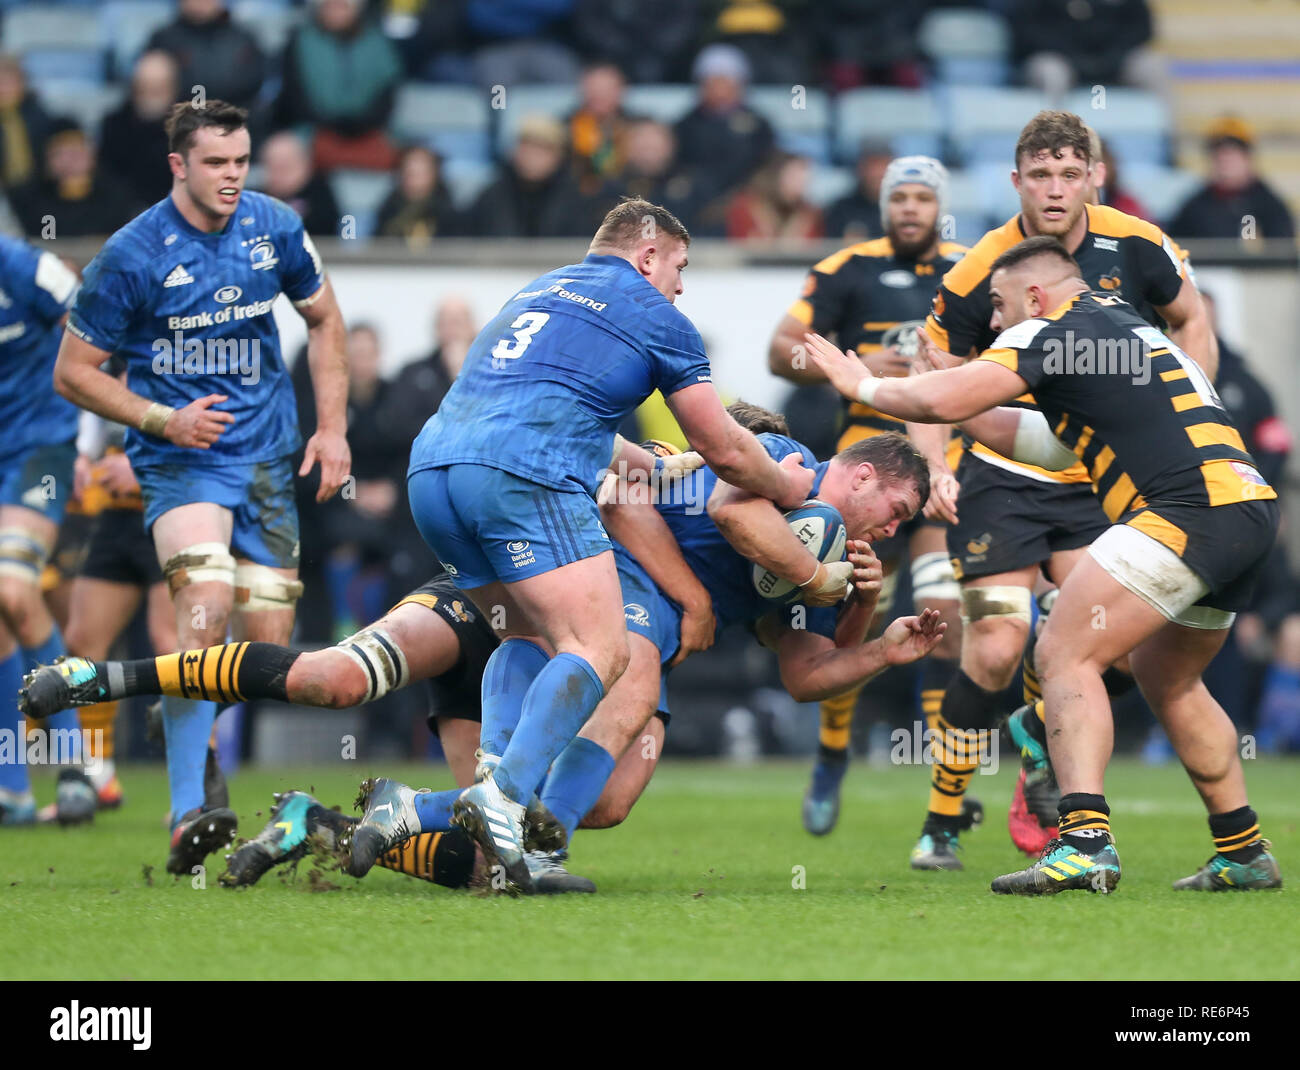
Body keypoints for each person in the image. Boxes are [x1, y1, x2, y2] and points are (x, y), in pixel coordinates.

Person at [805, 234, 1282, 893]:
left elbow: (944, 399)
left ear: (1035, 296)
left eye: (999, 308)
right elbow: (1044, 443)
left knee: (1061, 653)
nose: (994, 324)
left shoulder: (1055, 328)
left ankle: (1084, 843)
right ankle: (1244, 850)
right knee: (1169, 681)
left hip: (1185, 509)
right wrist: (956, 410)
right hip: (1246, 505)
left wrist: (858, 381)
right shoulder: (1126, 331)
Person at [403, 196, 818, 891]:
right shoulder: (660, 317)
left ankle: (496, 828)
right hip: (519, 478)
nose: (681, 285)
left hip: (434, 476)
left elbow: (567, 416)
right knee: (602, 649)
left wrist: (658, 468)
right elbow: (722, 446)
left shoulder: (539, 290)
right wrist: (789, 487)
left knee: (524, 639)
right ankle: (498, 805)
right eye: (680, 266)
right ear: (648, 253)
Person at [903, 110, 1215, 869]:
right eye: (1040, 175)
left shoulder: (1139, 244)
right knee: (994, 648)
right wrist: (937, 465)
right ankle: (945, 817)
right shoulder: (983, 266)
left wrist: (1201, 404)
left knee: (1120, 650)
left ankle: (1039, 737)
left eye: (1070, 174)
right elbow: (929, 365)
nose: (1054, 189)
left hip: (1102, 484)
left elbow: (1191, 317)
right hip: (1005, 475)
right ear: (1015, 181)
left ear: (1095, 177)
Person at [49, 100, 351, 875]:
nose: (232, 178)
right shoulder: (132, 254)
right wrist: (159, 418)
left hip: (268, 458)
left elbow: (324, 319)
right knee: (203, 605)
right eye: (216, 163)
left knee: (260, 654)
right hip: (181, 460)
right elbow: (73, 372)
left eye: (241, 161)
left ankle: (187, 730)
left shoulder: (275, 226)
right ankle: (188, 813)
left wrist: (333, 429)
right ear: (178, 165)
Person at [768, 156, 968, 852]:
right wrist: (847, 362)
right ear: (886, 206)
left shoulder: (970, 270)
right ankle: (831, 754)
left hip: (945, 472)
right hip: (869, 484)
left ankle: (943, 818)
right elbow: (780, 352)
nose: (911, 209)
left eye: (923, 198)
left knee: (946, 622)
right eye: (901, 197)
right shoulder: (846, 267)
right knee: (857, 617)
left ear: (939, 207)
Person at [0, 236, 91, 826]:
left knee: (11, 589)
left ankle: (75, 762)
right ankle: (13, 788)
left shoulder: (23, 268)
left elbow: (93, 328)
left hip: (39, 452)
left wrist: (93, 441)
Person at [1167, 116, 1296, 241]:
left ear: (1247, 157)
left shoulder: (1271, 207)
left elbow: (1282, 253)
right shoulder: (1194, 207)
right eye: (1218, 152)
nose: (1225, 159)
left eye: (1233, 152)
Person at [9, 120, 140, 240]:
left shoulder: (117, 195)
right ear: (47, 160)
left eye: (76, 152)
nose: (70, 160)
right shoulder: (29, 199)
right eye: (61, 153)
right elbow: (45, 239)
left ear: (92, 156)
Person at [146, 0, 265, 111]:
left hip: (235, 122)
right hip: (179, 123)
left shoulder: (243, 39)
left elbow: (254, 88)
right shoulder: (163, 40)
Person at [98, 51, 180, 207]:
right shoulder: (114, 126)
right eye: (144, 88)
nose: (150, 97)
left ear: (173, 89)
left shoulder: (188, 130)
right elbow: (108, 178)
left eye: (158, 89)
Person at [257, 131, 342, 238]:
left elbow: (325, 230)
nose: (277, 175)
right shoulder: (254, 197)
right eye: (271, 167)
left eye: (284, 167)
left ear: (304, 164)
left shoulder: (320, 196)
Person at [725, 152, 824, 242]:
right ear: (777, 175)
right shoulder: (746, 207)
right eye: (793, 178)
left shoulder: (809, 214)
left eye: (803, 181)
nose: (799, 186)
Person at [374, 145, 458, 243]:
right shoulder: (389, 211)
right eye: (409, 173)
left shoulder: (448, 214)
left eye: (419, 173)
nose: (413, 180)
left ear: (434, 174)